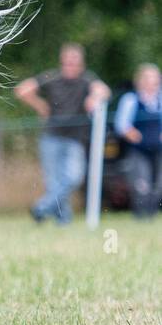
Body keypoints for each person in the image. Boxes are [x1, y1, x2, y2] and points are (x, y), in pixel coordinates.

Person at [14, 43, 111, 224]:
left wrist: (94, 97)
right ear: (62, 60)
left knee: (74, 177)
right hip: (51, 137)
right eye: (68, 60)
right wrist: (40, 105)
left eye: (75, 61)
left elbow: (104, 90)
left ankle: (41, 207)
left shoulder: (87, 79)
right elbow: (22, 90)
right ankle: (63, 220)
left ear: (81, 62)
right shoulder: (52, 77)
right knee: (54, 182)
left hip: (75, 139)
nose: (71, 64)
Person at [113, 62, 162, 219]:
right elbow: (121, 125)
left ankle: (152, 215)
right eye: (147, 78)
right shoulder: (131, 99)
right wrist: (136, 136)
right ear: (140, 80)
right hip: (138, 150)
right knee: (142, 184)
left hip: (159, 150)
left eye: (154, 78)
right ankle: (140, 217)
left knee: (158, 185)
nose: (151, 82)